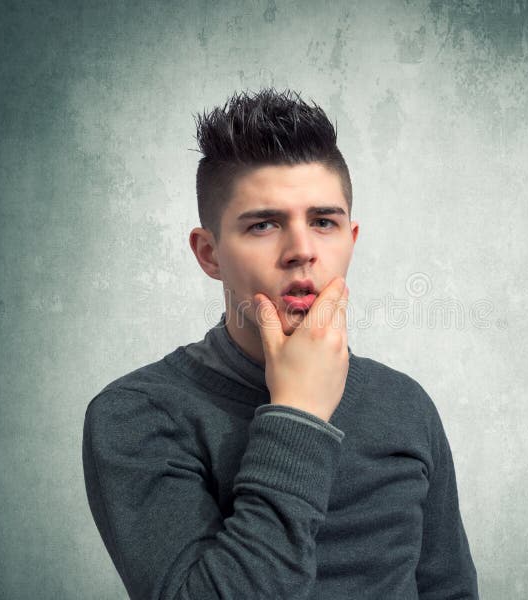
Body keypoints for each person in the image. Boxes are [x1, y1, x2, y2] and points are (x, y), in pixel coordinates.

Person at [82, 88, 479, 599]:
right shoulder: (137, 414)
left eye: (323, 222)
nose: (302, 251)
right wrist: (299, 415)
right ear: (209, 254)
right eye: (264, 225)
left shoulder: (406, 404)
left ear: (351, 240)